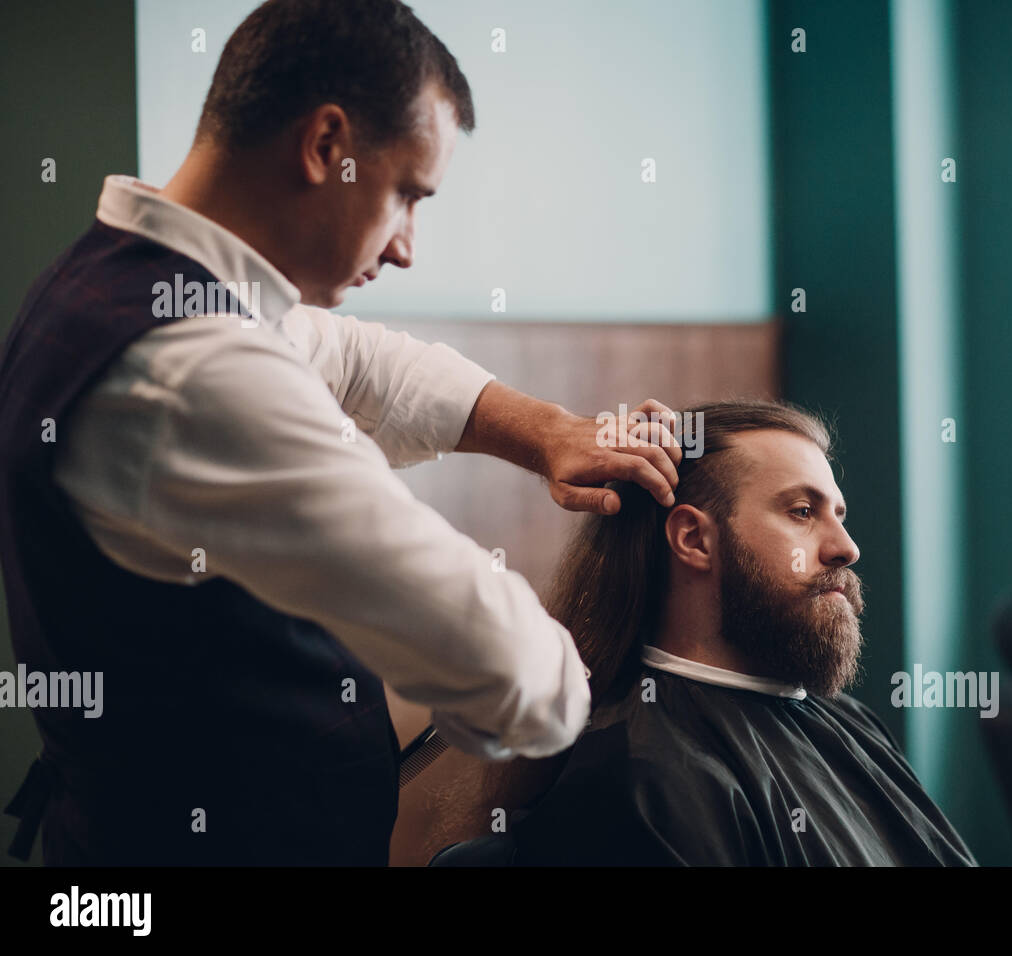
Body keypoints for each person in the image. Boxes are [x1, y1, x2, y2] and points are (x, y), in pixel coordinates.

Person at [0, 0, 681, 866]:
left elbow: (359, 362)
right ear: (327, 145)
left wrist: (549, 432)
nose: (406, 247)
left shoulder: (136, 283)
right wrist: (598, 639)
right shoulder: (191, 375)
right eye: (407, 194)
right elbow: (513, 679)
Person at [429, 399, 977, 866]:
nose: (846, 547)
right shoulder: (641, 782)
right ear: (693, 538)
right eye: (803, 511)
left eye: (838, 513)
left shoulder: (850, 722)